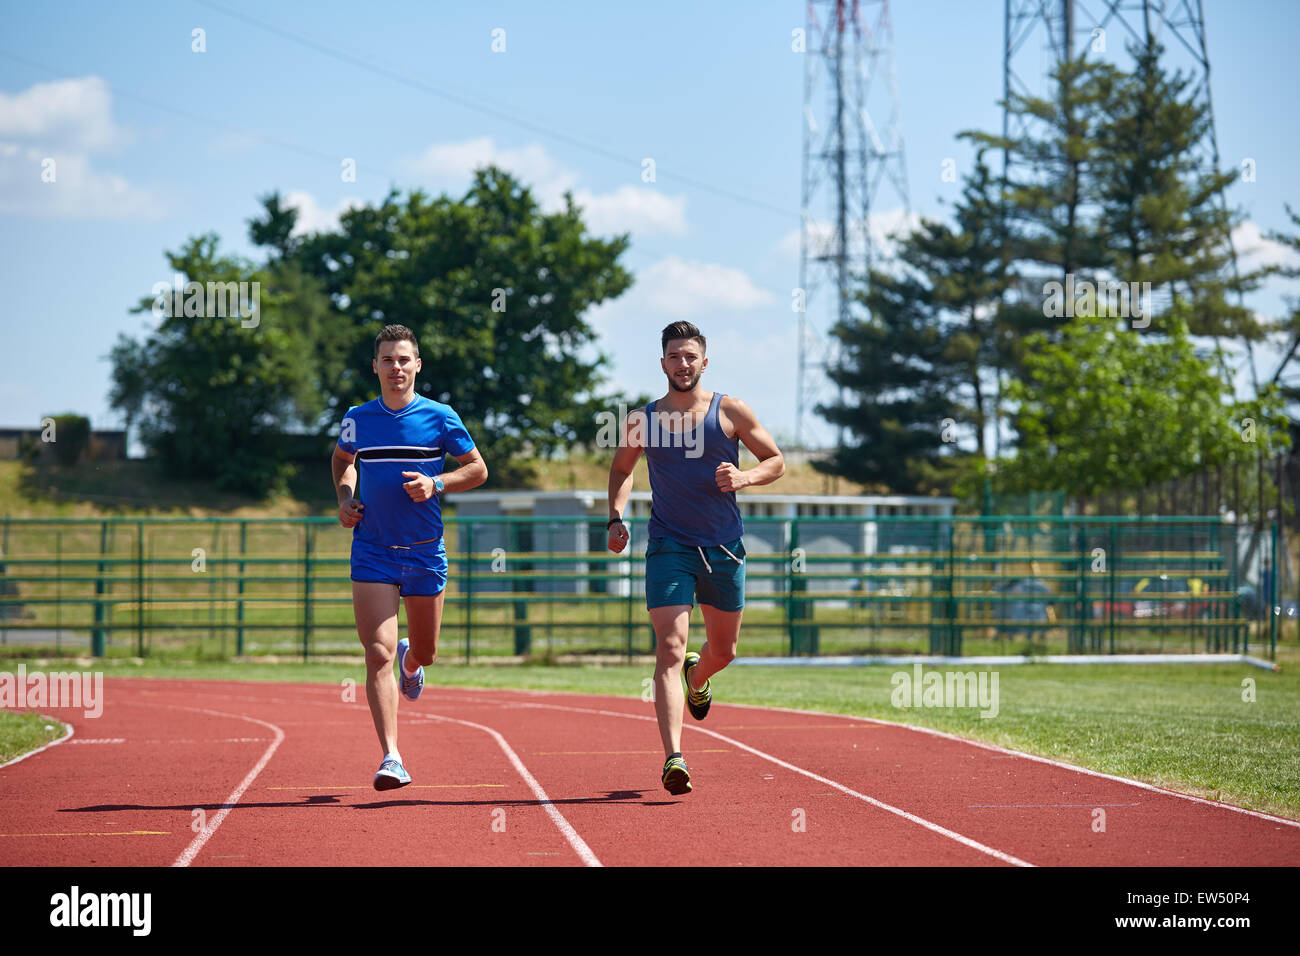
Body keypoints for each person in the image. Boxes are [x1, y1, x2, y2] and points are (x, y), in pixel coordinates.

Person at [606, 321, 784, 794]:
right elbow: (623, 468)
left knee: (723, 651)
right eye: (674, 356)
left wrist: (745, 478)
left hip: (724, 547)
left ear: (703, 362)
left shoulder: (732, 410)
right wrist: (615, 517)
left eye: (690, 357)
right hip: (669, 545)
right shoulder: (642, 420)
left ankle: (698, 676)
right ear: (662, 362)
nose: (682, 364)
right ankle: (674, 758)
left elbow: (776, 461)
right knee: (667, 646)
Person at [332, 324, 488, 790]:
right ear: (375, 366)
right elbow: (343, 459)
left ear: (417, 365)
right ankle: (391, 757)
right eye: (387, 359)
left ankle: (413, 663)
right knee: (376, 652)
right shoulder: (358, 417)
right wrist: (344, 497)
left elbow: (478, 469)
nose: (396, 368)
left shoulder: (440, 417)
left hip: (424, 553)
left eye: (404, 359)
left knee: (426, 651)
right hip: (373, 550)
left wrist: (436, 484)